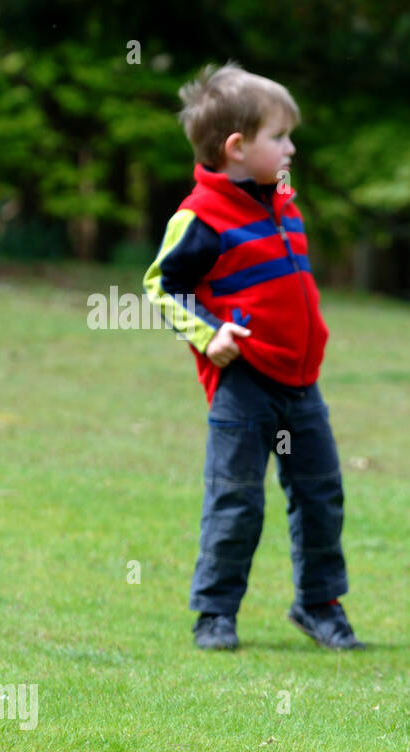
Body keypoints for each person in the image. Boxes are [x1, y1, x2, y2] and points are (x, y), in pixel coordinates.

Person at [144, 63, 365, 651]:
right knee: (236, 498)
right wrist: (208, 333)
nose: (292, 147)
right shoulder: (199, 217)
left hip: (301, 383)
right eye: (279, 136)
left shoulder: (282, 200)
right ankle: (214, 614)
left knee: (321, 493)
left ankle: (320, 606)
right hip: (243, 382)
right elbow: (161, 287)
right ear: (237, 148)